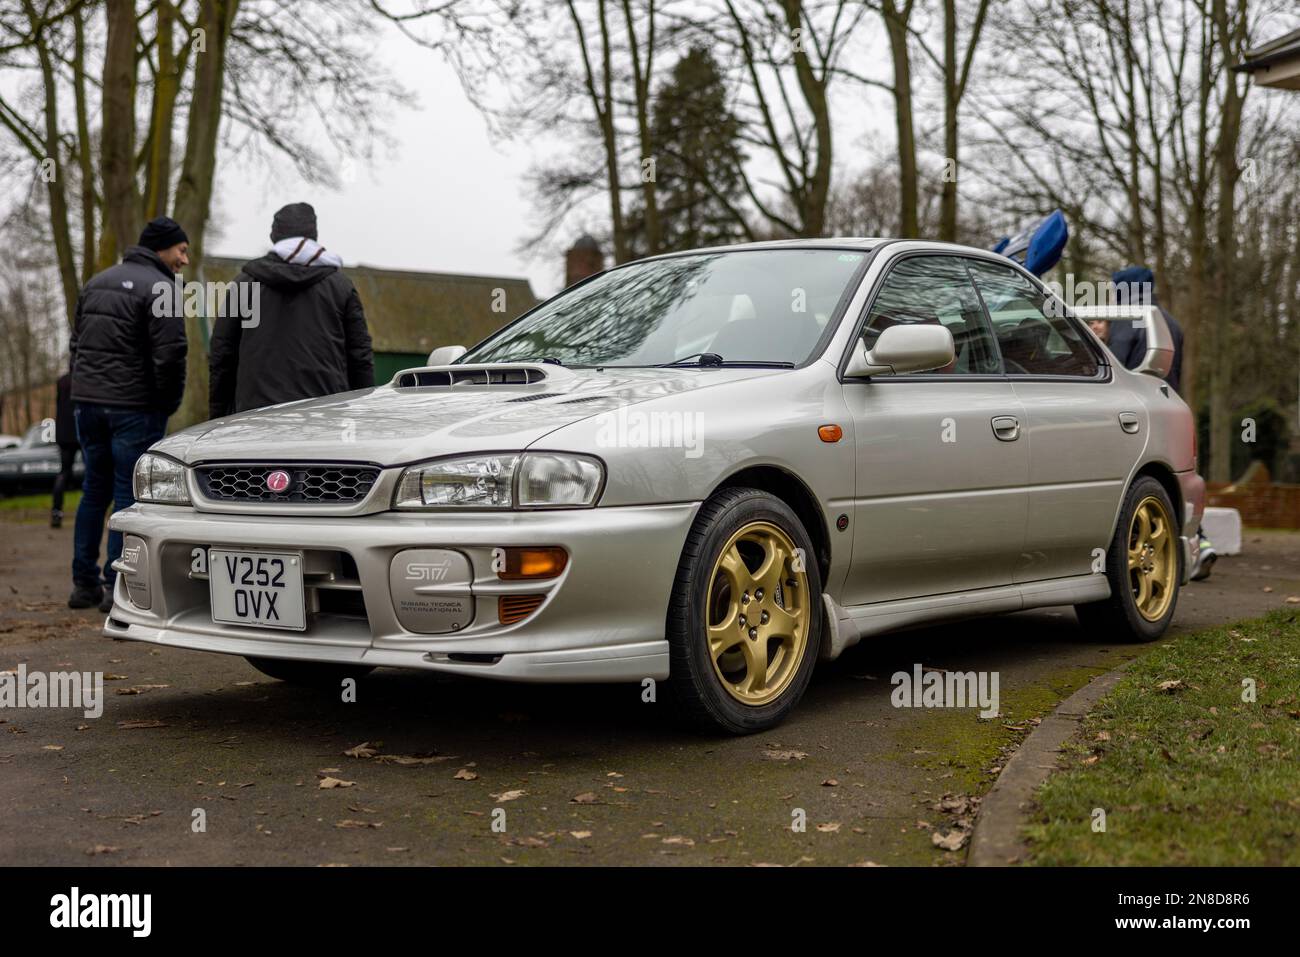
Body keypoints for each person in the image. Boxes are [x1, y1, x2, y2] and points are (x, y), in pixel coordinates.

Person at [68, 216, 190, 610]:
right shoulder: (162, 288)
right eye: (181, 250)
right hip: (134, 408)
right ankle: (114, 586)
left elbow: (76, 345)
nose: (184, 260)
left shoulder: (95, 282)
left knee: (93, 491)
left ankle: (83, 584)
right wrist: (165, 403)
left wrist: (83, 391)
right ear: (161, 249)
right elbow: (171, 356)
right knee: (129, 495)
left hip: (87, 406)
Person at [208, 202, 374, 419]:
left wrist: (217, 417)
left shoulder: (244, 284)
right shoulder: (341, 286)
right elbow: (360, 357)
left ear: (275, 236)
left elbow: (222, 355)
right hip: (325, 417)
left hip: (254, 418)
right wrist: (362, 415)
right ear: (313, 234)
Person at [50, 371, 78, 528]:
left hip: (64, 434)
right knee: (93, 475)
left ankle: (56, 512)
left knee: (63, 472)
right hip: (81, 432)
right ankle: (93, 512)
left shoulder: (61, 381)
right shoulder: (84, 378)